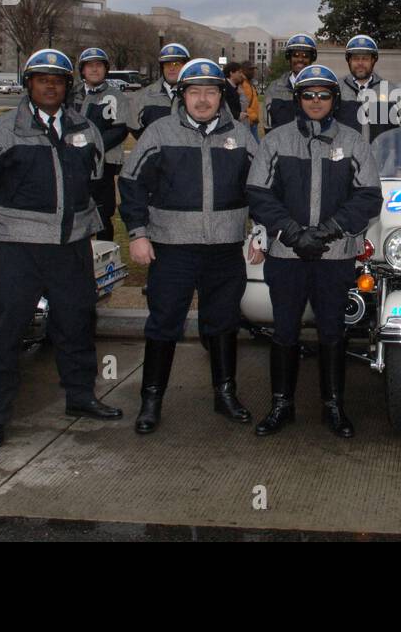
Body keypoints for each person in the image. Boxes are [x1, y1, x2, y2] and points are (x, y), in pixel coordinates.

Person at [0, 49, 124, 448]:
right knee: (1, 332)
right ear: (28, 84)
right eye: (42, 78)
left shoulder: (85, 129)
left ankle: (80, 396)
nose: (50, 85)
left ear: (68, 87)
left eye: (58, 79)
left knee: (76, 325)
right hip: (15, 250)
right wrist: (14, 221)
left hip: (69, 248)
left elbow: (95, 179)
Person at [119, 58, 260, 434]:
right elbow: (131, 185)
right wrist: (137, 234)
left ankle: (225, 393)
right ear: (182, 95)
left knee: (224, 322)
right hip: (172, 248)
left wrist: (260, 231)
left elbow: (261, 188)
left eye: (210, 92)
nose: (202, 100)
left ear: (221, 96)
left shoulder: (241, 136)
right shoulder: (160, 132)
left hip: (224, 248)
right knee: (164, 323)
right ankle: (151, 400)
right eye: (194, 92)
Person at [246, 64, 382, 438]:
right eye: (309, 95)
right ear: (298, 99)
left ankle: (334, 406)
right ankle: (281, 405)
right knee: (285, 331)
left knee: (332, 332)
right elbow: (259, 192)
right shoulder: (276, 140)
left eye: (324, 95)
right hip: (286, 255)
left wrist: (326, 232)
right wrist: (291, 233)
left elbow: (369, 196)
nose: (316, 101)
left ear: (334, 100)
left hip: (335, 255)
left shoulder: (354, 141)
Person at [70, 47, 129, 241]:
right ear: (83, 70)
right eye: (90, 66)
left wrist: (91, 146)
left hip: (104, 163)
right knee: (76, 211)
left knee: (103, 214)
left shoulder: (115, 96)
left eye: (99, 66)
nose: (94, 70)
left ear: (105, 69)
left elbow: (120, 129)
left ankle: (106, 262)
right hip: (73, 164)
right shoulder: (71, 95)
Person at [336, 34, 396, 143]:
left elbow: (398, 133)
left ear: (373, 60)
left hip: (378, 157)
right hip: (346, 158)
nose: (360, 63)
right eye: (355, 58)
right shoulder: (336, 89)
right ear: (348, 60)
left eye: (365, 58)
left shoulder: (391, 90)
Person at [129, 42, 191, 139]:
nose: (171, 68)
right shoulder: (144, 96)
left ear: (185, 66)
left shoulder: (197, 95)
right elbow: (134, 127)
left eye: (176, 63)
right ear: (162, 67)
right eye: (167, 64)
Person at [262, 33, 318, 132]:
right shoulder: (274, 88)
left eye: (305, 56)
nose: (300, 59)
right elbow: (268, 125)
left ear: (311, 59)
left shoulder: (321, 87)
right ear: (289, 58)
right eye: (296, 55)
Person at [225, 61, 261, 138]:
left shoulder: (248, 83)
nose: (253, 72)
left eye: (254, 69)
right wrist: (249, 116)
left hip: (251, 121)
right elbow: (242, 105)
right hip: (247, 120)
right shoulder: (240, 84)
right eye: (250, 69)